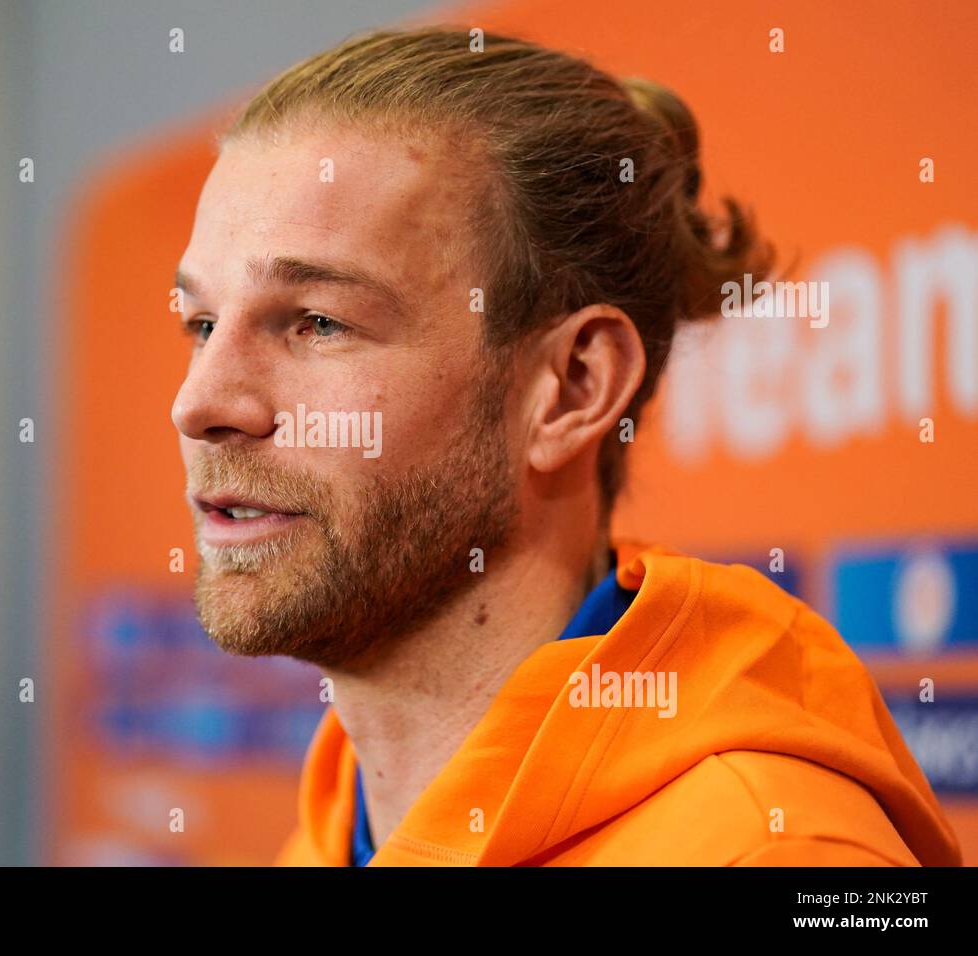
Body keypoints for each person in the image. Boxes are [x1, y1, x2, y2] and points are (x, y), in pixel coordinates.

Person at [169, 25, 961, 866]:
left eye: (318, 322)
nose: (201, 403)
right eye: (202, 323)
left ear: (575, 387)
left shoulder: (776, 851)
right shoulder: (332, 838)